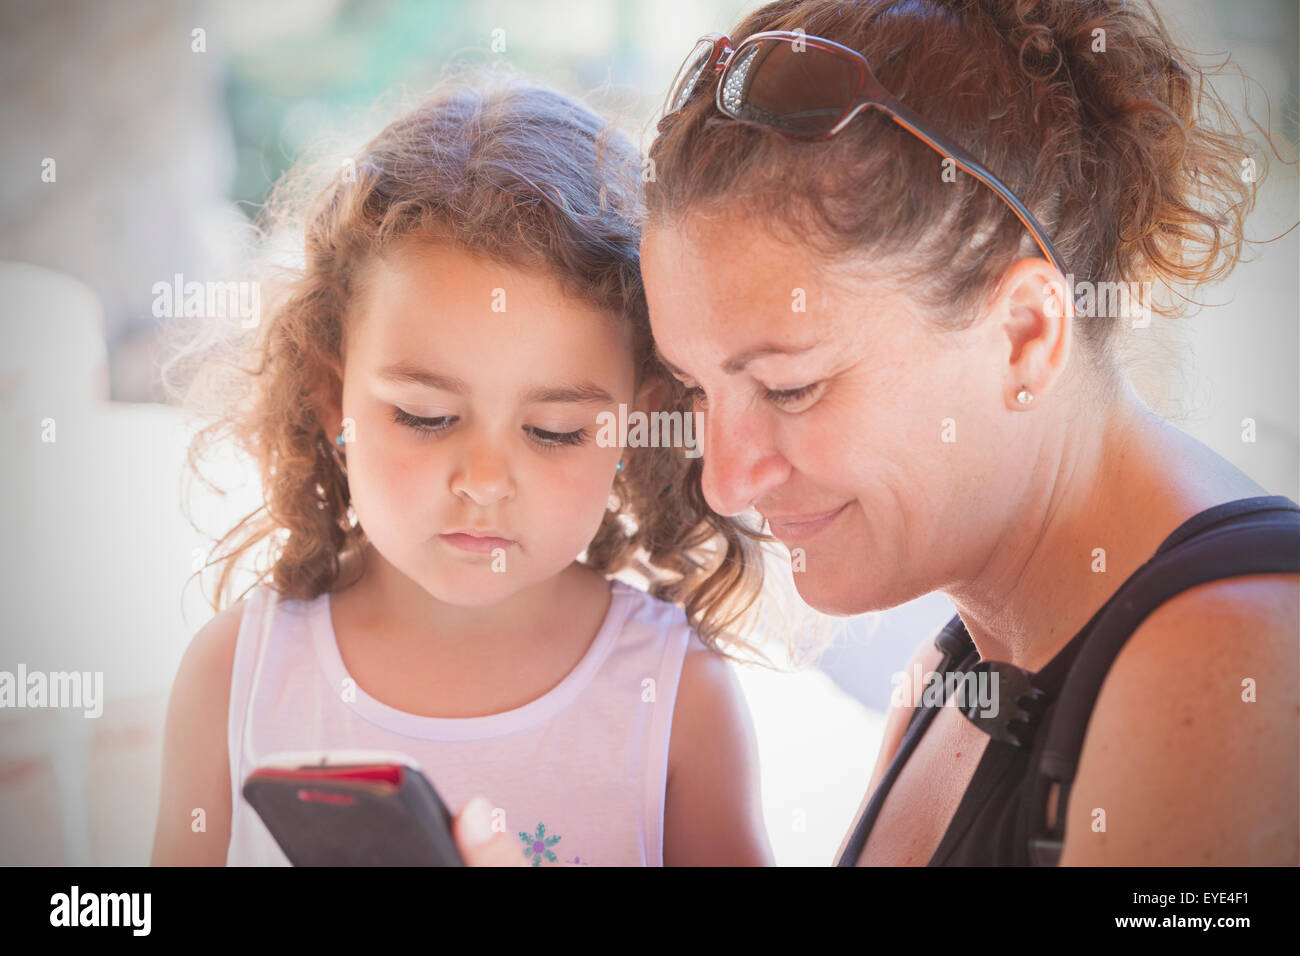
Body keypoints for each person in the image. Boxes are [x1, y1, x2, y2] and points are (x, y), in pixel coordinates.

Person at [636, 0, 1298, 865]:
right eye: (694, 389)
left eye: (790, 388)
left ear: (1024, 334)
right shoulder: (955, 682)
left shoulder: (1231, 668)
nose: (725, 481)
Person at [150, 75, 774, 867]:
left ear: (635, 422)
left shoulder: (680, 700)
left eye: (554, 431)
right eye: (425, 417)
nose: (483, 480)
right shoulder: (235, 676)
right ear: (327, 388)